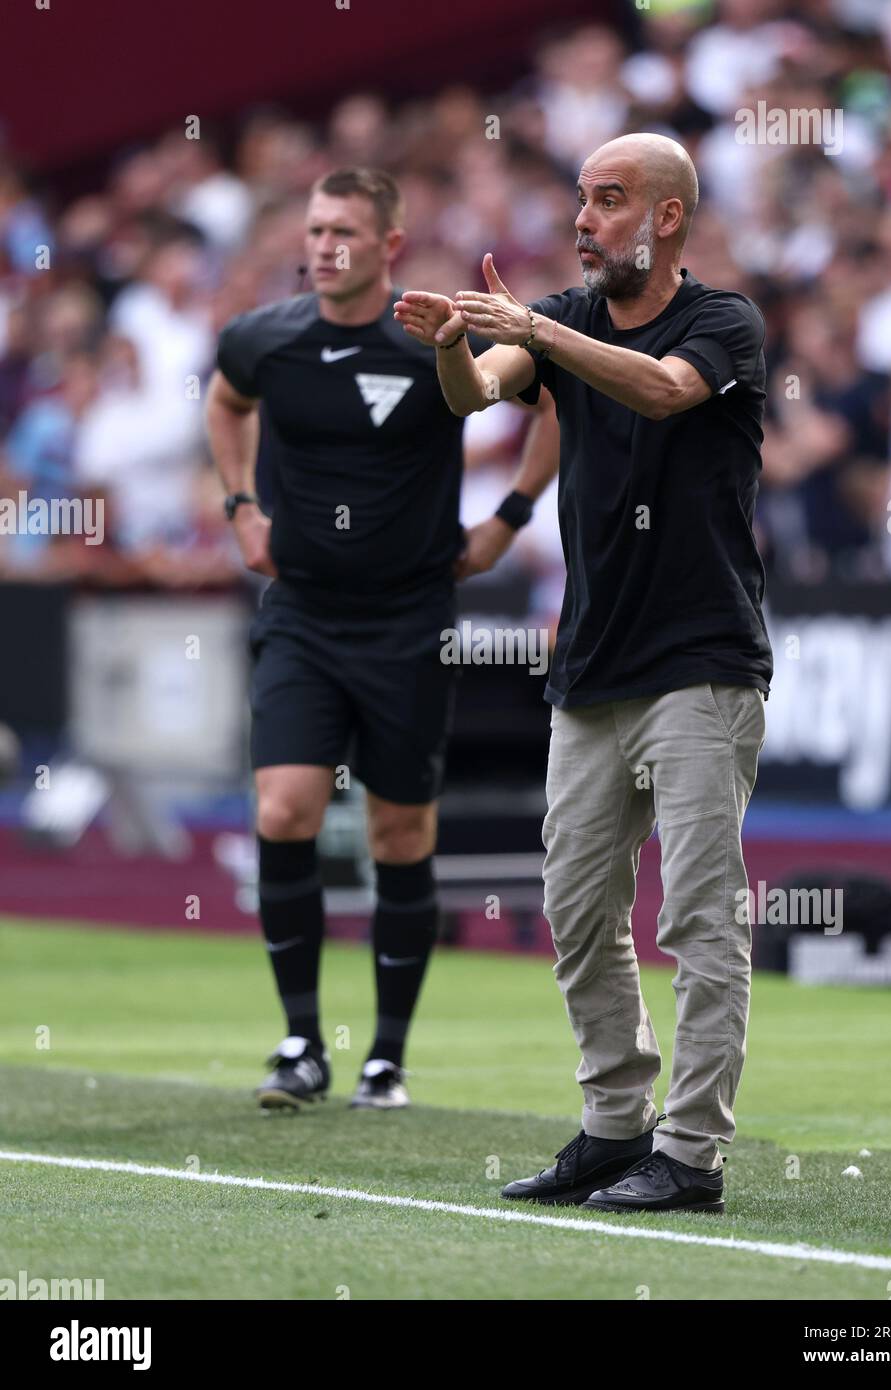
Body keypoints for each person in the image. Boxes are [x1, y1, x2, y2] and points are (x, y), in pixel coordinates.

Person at [396, 132, 771, 1212]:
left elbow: (661, 391)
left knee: (700, 918)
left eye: (608, 201)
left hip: (700, 660)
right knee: (574, 904)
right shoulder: (556, 320)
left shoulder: (722, 321)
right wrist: (454, 343)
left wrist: (537, 333)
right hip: (592, 664)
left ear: (663, 217)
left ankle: (691, 1153)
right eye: (580, 199)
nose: (583, 219)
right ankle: (616, 1126)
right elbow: (476, 397)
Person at [206, 167, 558, 1111]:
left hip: (411, 620)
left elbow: (552, 399)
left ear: (390, 245)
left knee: (403, 834)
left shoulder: (437, 336)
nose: (325, 247)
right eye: (316, 229)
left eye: (345, 232)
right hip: (303, 616)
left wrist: (509, 521)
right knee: (284, 811)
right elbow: (224, 401)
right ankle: (299, 1043)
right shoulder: (265, 339)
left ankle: (387, 1057)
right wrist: (241, 508)